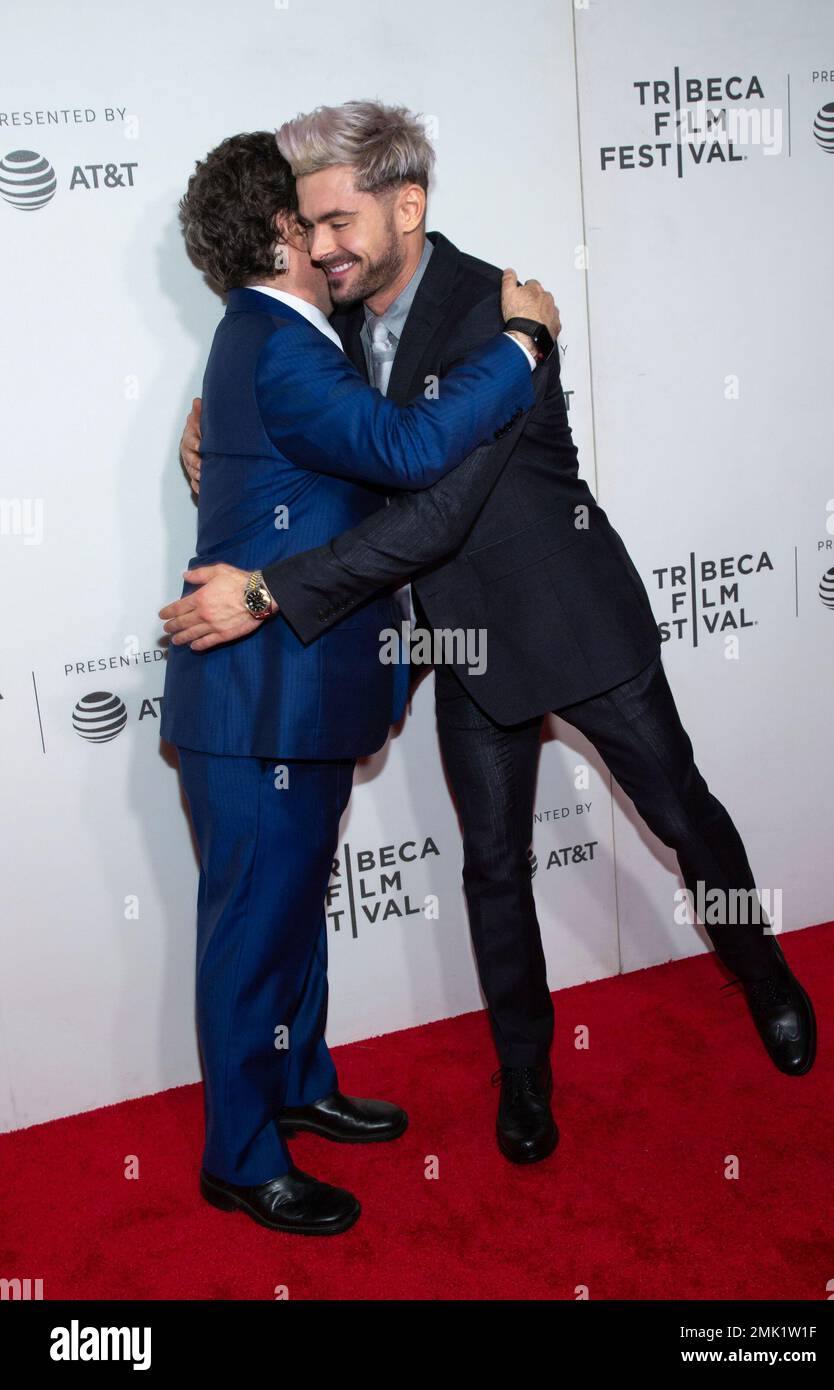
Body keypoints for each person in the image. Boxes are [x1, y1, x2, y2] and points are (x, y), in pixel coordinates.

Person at [166, 102, 816, 1171]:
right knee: (491, 869)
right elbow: (330, 459)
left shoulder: (500, 317)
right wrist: (217, 438)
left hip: (572, 620)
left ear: (405, 205)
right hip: (458, 649)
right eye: (307, 225)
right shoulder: (325, 326)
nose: (321, 245)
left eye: (338, 221)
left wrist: (269, 588)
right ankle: (524, 1075)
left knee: (684, 814)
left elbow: (431, 511)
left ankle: (764, 972)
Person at [158, 129, 560, 1232]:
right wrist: (520, 344)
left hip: (299, 688)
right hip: (258, 699)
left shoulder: (280, 334)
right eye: (315, 217)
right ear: (283, 228)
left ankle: (295, 1084)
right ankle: (239, 1155)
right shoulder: (276, 345)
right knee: (251, 932)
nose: (334, 236)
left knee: (289, 914)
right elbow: (405, 443)